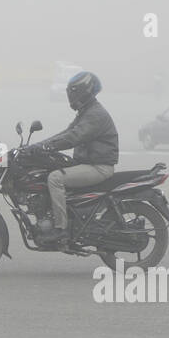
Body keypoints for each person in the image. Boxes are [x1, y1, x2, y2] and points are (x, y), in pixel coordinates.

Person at [32, 71, 118, 242]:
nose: (71, 96)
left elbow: (74, 137)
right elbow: (66, 132)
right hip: (88, 163)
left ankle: (61, 229)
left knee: (55, 178)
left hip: (99, 167)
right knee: (49, 170)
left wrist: (47, 146)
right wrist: (37, 146)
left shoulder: (95, 114)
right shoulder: (86, 112)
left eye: (74, 92)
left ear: (84, 91)